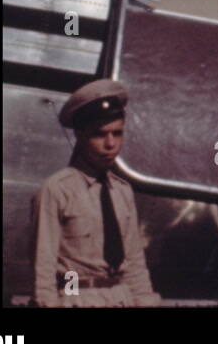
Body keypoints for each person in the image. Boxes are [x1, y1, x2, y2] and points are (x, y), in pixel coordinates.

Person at [31, 79, 161, 307]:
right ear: (80, 136)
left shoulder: (122, 191)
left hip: (121, 298)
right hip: (75, 295)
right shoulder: (57, 189)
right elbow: (43, 266)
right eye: (100, 134)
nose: (111, 144)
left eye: (117, 133)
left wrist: (145, 302)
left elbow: (134, 264)